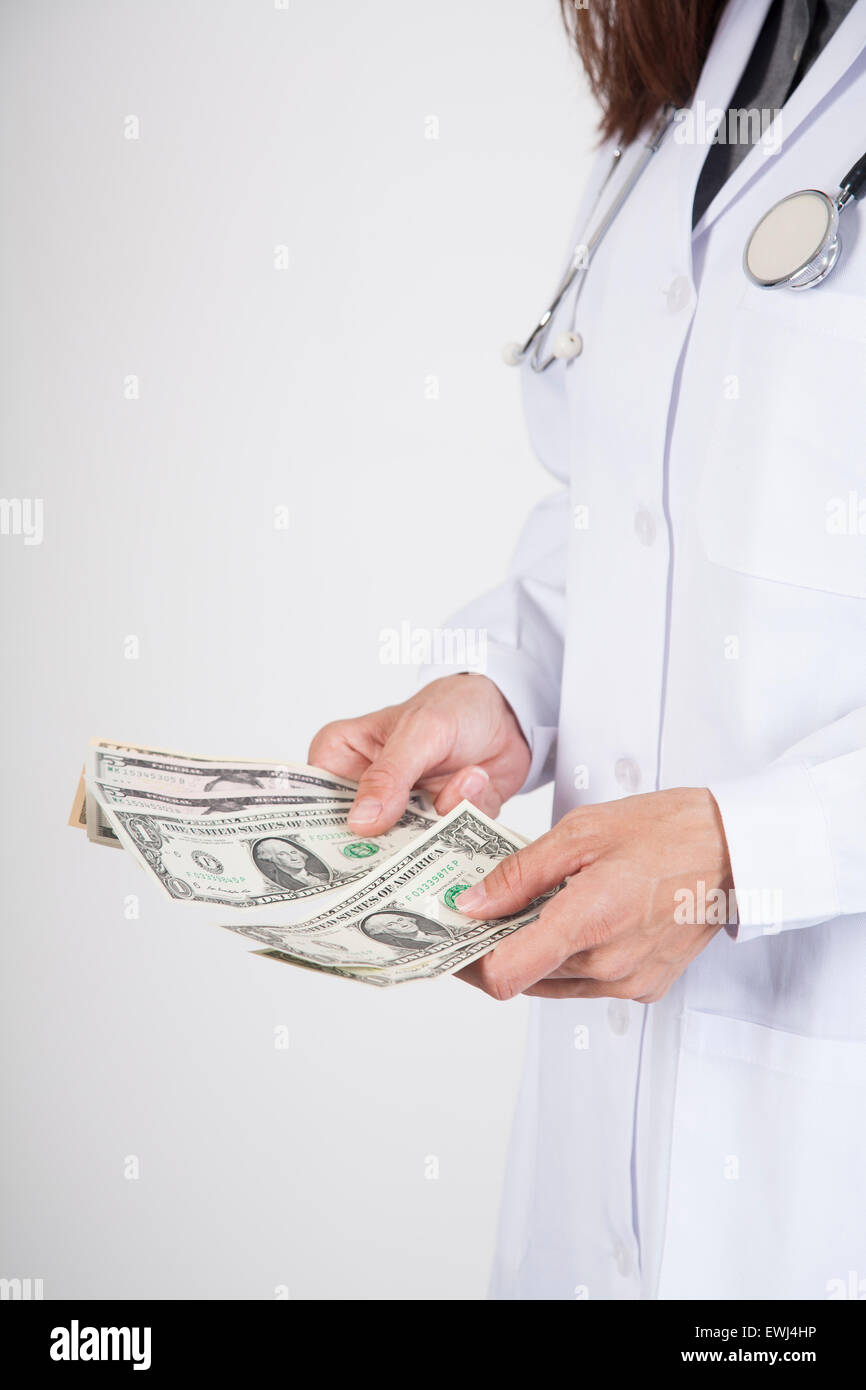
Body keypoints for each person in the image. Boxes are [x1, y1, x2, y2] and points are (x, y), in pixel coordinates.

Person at [310, 0, 866, 1300]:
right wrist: (508, 679)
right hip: (590, 1157)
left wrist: (746, 849)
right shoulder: (706, 60)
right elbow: (632, 512)